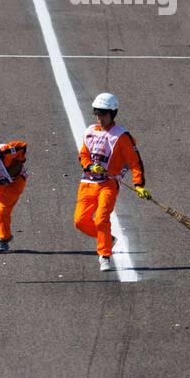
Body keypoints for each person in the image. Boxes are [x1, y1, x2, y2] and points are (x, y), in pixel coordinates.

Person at [76, 93, 147, 272]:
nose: (100, 118)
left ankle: (105, 255)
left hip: (108, 184)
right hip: (87, 184)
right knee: (80, 221)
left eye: (103, 114)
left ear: (113, 113)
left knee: (101, 219)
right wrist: (91, 166)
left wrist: (138, 185)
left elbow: (135, 162)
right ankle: (108, 237)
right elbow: (83, 155)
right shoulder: (90, 131)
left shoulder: (122, 136)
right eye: (97, 114)